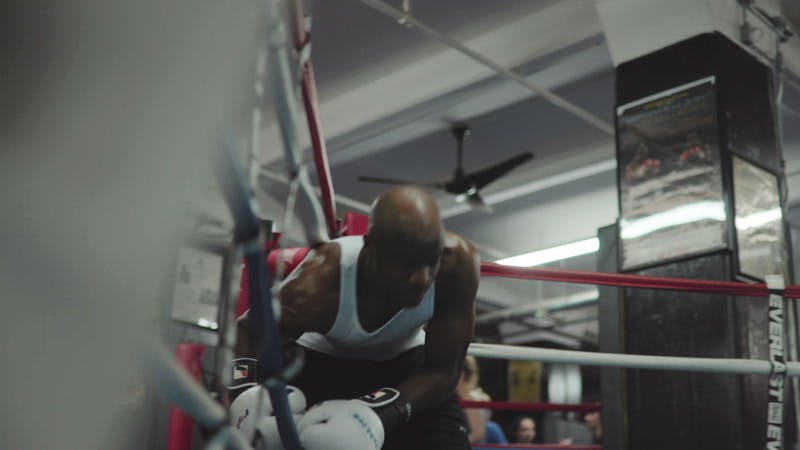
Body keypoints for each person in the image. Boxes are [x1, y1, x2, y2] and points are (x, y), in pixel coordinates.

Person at [233, 185, 481, 450]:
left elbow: (443, 371)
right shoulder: (317, 286)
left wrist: (378, 413)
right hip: (320, 367)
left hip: (407, 370)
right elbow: (248, 330)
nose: (421, 279)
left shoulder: (455, 266)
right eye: (407, 263)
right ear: (370, 247)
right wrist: (242, 397)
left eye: (431, 261)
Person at [456, 356, 508, 444]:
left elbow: (478, 434)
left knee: (492, 428)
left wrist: (455, 445)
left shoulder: (470, 399)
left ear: (462, 375)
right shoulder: (459, 398)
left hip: (473, 445)